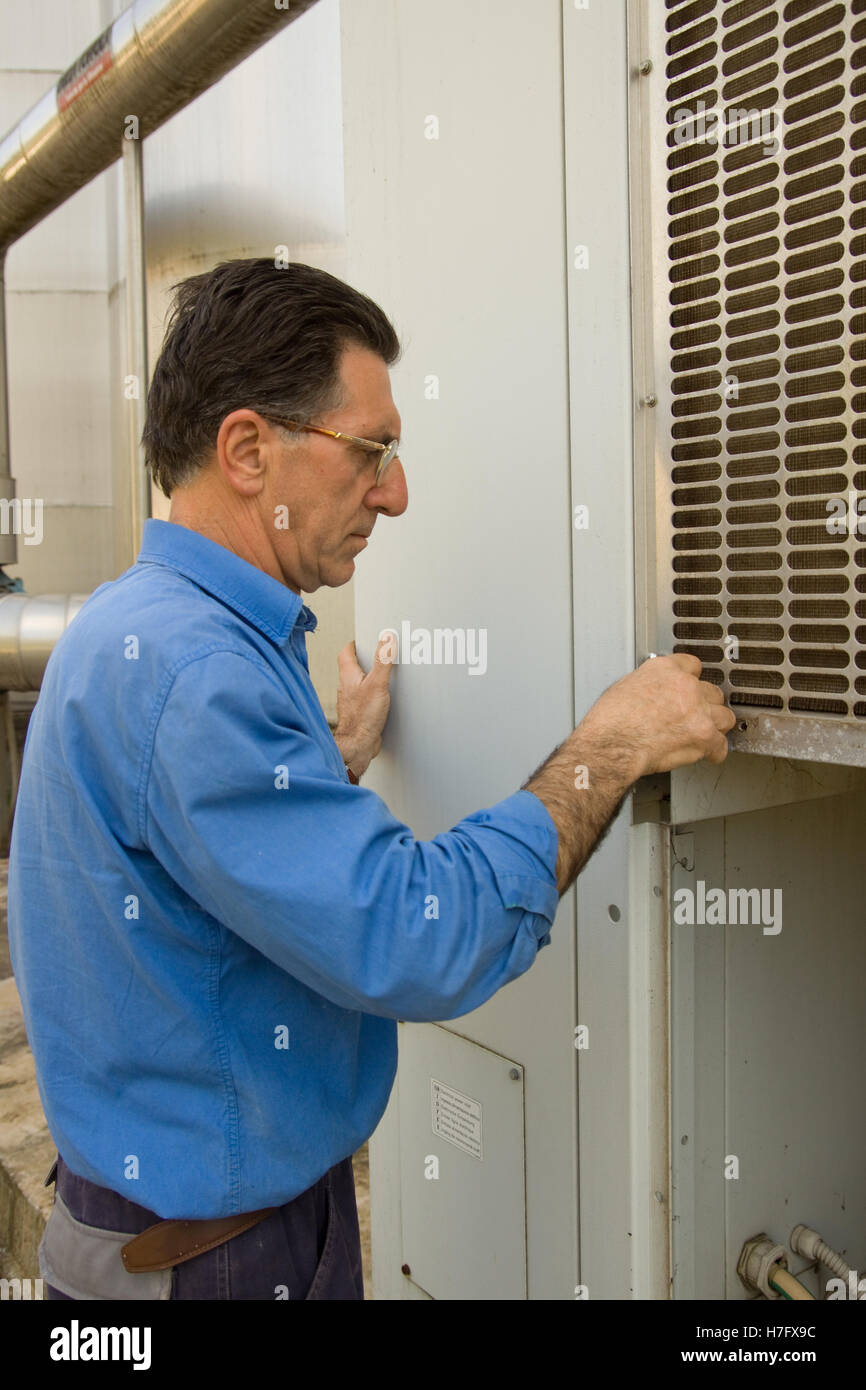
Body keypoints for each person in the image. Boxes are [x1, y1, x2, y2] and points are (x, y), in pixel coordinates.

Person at [7, 258, 735, 1301]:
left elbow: (183, 857)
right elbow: (417, 936)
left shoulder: (138, 626)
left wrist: (328, 761)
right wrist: (611, 743)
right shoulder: (202, 672)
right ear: (249, 449)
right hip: (217, 1262)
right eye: (372, 451)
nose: (394, 492)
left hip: (162, 1228)